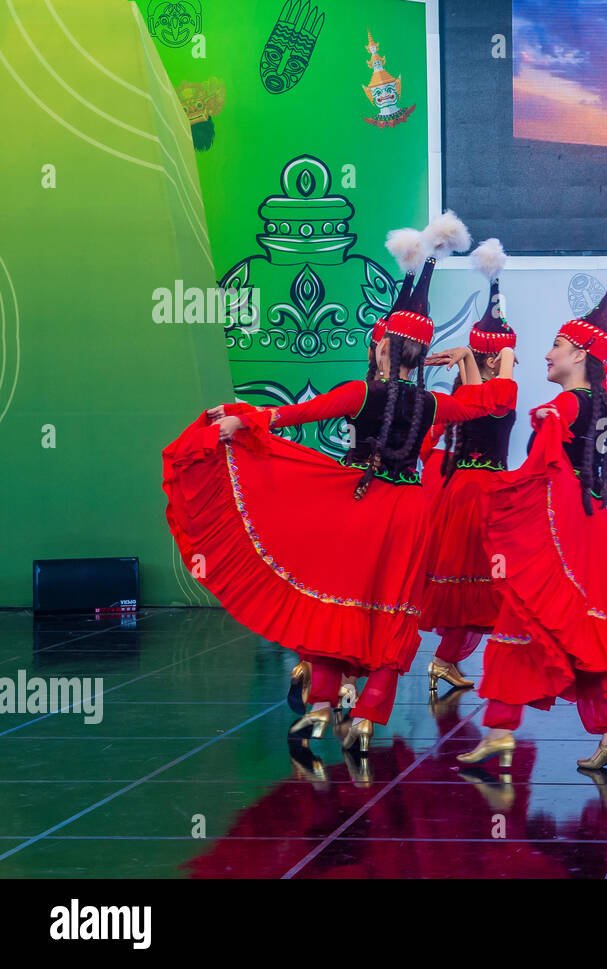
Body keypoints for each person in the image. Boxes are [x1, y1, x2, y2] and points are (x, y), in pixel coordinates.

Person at [163, 214, 502, 752]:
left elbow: (285, 419)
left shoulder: (359, 392)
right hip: (410, 510)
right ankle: (368, 715)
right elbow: (495, 403)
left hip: (361, 503)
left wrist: (234, 418)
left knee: (336, 603)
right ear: (420, 351)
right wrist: (481, 361)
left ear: (385, 346)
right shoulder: (437, 402)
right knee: (394, 611)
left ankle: (322, 705)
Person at [455, 239, 607, 772]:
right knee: (574, 625)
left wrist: (500, 490)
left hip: (560, 526)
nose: (547, 353)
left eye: (556, 346)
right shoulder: (599, 401)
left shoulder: (566, 401)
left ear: (580, 355)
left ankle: (501, 731)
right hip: (590, 525)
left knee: (528, 614)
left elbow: (546, 447)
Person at [420, 238, 519, 693]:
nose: (506, 360)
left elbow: (487, 404)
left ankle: (445, 661)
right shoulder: (472, 395)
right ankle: (500, 676)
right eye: (499, 355)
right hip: (474, 494)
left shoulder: (480, 392)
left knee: (481, 587)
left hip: (482, 490)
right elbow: (482, 406)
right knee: (481, 585)